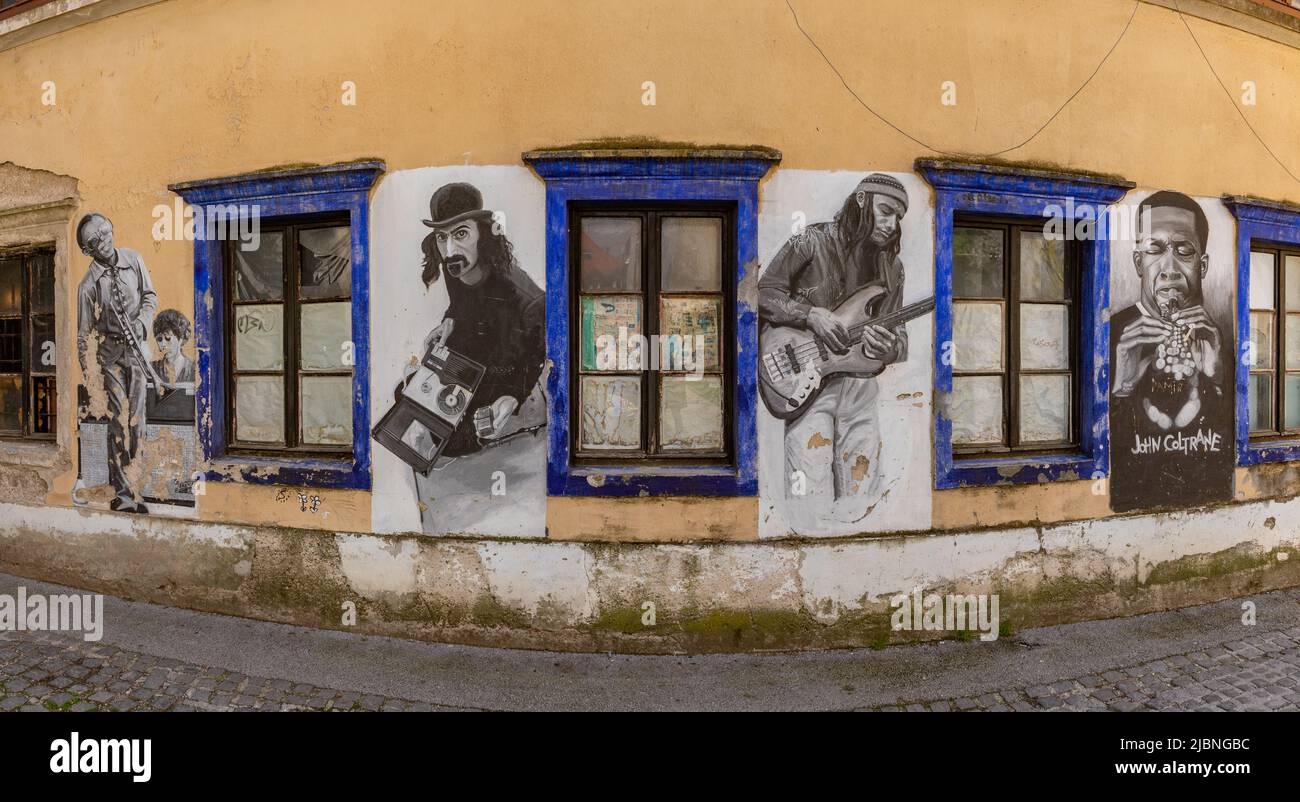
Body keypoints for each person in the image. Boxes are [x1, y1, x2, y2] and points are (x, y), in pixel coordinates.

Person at [758, 173, 909, 500]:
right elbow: (763, 293)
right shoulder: (810, 240)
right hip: (806, 381)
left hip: (860, 389)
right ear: (861, 201)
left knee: (863, 490)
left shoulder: (893, 269)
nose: (892, 224)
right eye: (885, 211)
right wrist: (810, 315)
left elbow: (901, 337)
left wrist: (891, 347)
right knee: (808, 491)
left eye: (898, 217)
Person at [419, 182, 545, 456]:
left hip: (504, 369)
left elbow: (535, 355)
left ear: (484, 233)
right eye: (442, 237)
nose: (450, 249)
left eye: (461, 233)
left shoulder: (526, 298)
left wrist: (513, 396)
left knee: (455, 441)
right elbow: (460, 303)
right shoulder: (456, 265)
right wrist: (448, 321)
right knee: (415, 398)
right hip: (471, 359)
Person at [1111, 190, 1224, 436]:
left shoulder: (1216, 339)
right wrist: (1121, 389)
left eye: (1184, 251)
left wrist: (1217, 381)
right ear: (1139, 263)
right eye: (1154, 249)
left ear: (1202, 266)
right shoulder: (1110, 335)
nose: (1169, 269)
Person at [76, 213, 157, 514]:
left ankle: (137, 486)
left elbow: (150, 297)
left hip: (136, 352)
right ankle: (123, 494)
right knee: (119, 422)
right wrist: (91, 378)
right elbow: (84, 336)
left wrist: (142, 323)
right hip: (109, 358)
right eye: (94, 241)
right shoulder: (87, 285)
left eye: (105, 232)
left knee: (138, 422)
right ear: (88, 250)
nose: (103, 242)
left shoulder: (134, 260)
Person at [150, 308, 196, 396]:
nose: (163, 344)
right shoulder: (151, 369)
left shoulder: (194, 369)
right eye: (159, 339)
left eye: (168, 338)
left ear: (180, 339)